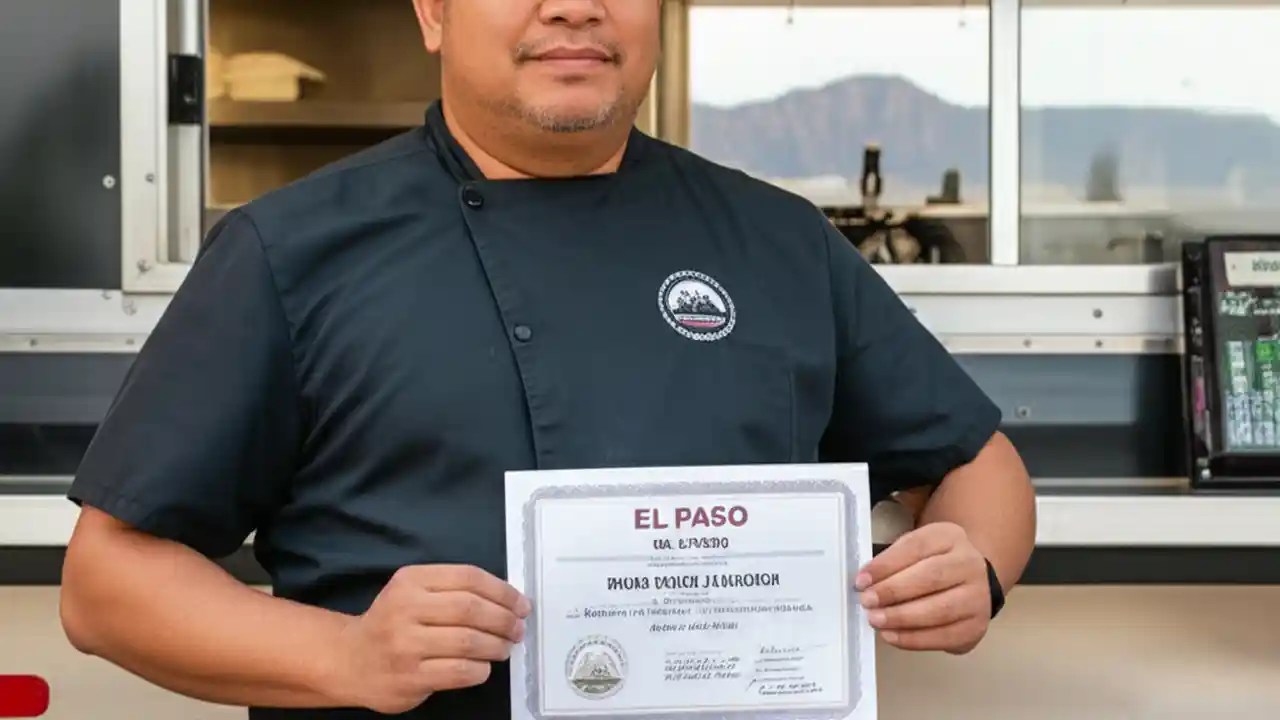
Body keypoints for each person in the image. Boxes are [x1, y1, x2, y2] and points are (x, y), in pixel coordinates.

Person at [59, 0, 1036, 717]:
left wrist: (973, 567)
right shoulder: (292, 250)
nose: (573, 7)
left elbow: (974, 466)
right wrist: (347, 654)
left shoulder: (775, 240)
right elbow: (107, 585)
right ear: (432, 13)